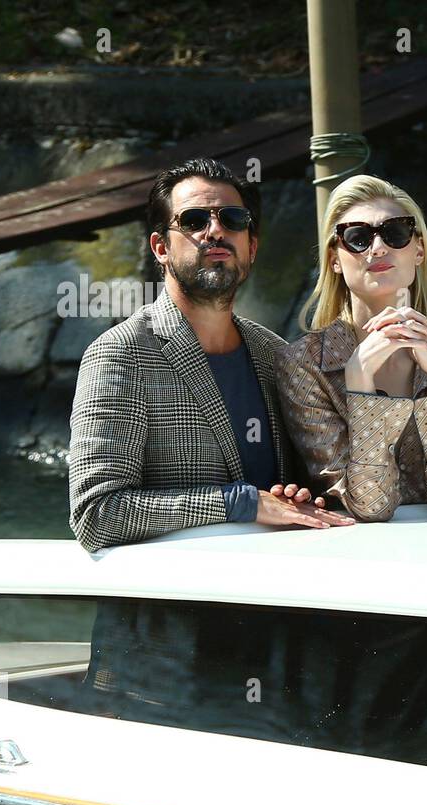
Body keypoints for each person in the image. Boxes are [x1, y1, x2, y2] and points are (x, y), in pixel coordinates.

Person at [68, 158, 350, 551]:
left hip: (276, 598)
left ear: (250, 247)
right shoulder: (120, 355)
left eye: (233, 219)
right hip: (175, 606)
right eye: (194, 220)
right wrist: (240, 503)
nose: (215, 231)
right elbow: (96, 514)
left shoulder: (275, 355)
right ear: (161, 247)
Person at [275, 175, 427, 522]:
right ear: (334, 259)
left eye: (395, 233)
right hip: (360, 559)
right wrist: (360, 384)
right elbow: (372, 505)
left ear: (418, 249)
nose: (377, 249)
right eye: (357, 238)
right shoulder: (304, 363)